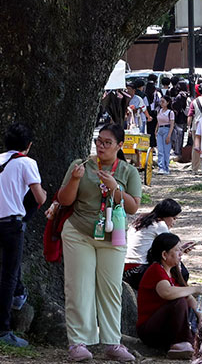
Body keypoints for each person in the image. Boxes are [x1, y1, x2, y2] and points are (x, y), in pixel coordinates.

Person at [56, 123, 143, 362]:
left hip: (113, 235)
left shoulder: (128, 171)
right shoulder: (80, 165)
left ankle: (112, 342)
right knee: (78, 287)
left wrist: (115, 188)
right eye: (98, 141)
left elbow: (133, 206)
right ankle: (78, 343)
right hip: (79, 232)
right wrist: (74, 180)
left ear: (119, 146)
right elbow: (64, 200)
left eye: (107, 142)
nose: (101, 146)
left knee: (111, 289)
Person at [0, 122, 47, 348]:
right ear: (28, 145)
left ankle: (19, 293)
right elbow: (40, 199)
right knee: (7, 278)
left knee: (12, 267)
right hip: (11, 227)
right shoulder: (27, 162)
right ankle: (2, 330)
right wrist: (44, 194)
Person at [137, 233, 202, 358]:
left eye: (181, 250)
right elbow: (167, 292)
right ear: (164, 255)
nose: (180, 254)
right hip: (149, 329)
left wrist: (200, 315)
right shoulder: (155, 270)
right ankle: (182, 343)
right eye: (177, 250)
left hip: (165, 326)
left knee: (185, 303)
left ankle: (190, 342)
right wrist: (195, 288)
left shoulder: (172, 272)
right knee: (178, 302)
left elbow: (188, 297)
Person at [125, 198, 186, 289]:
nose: (174, 222)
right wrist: (181, 250)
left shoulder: (141, 220)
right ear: (166, 215)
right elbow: (171, 247)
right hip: (140, 268)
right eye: (174, 218)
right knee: (176, 265)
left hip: (126, 266)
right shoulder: (160, 225)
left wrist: (182, 248)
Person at [155, 95, 176, 175]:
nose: (161, 103)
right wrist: (156, 130)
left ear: (168, 102)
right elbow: (158, 121)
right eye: (161, 101)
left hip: (167, 130)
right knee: (160, 150)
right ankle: (161, 167)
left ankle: (166, 167)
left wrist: (169, 135)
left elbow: (172, 124)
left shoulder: (170, 112)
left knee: (166, 151)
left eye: (163, 102)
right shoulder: (160, 111)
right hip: (160, 129)